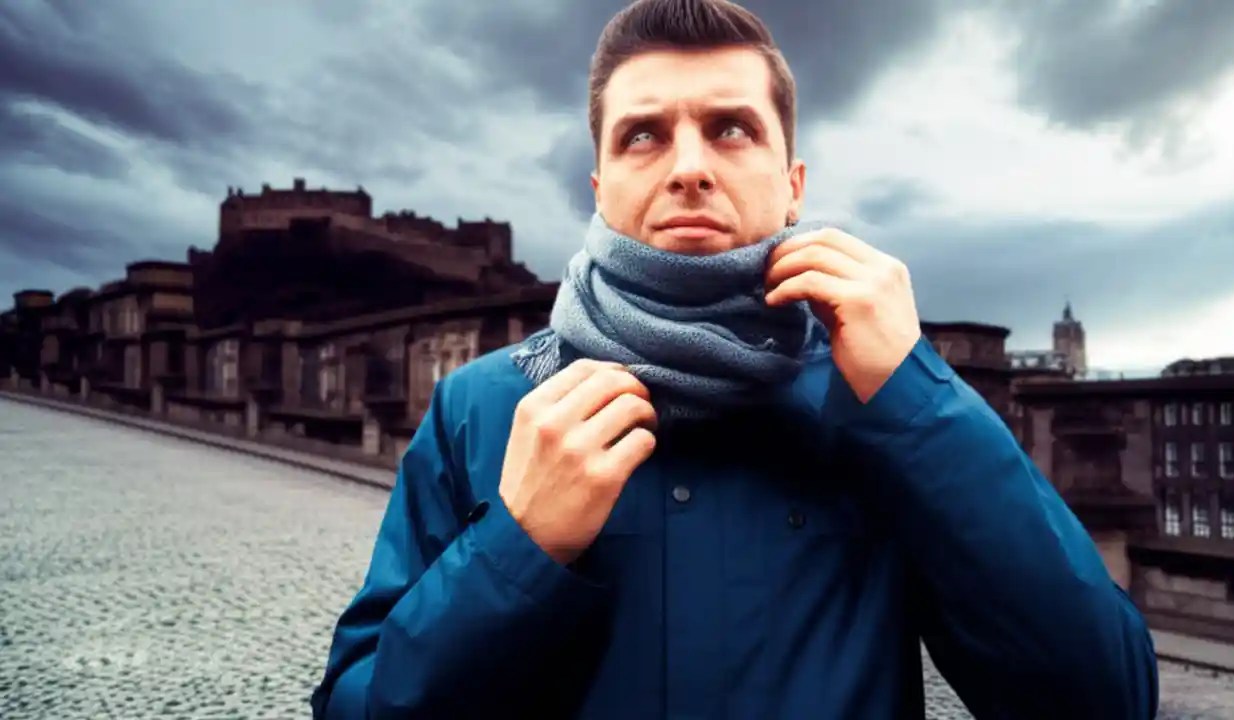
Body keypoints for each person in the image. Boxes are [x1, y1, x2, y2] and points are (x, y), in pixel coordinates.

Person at [309, 0, 1159, 717]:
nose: (688, 168)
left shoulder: (883, 405)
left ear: (791, 182)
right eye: (644, 135)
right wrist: (516, 550)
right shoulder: (480, 407)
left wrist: (922, 402)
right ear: (599, 187)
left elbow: (1102, 697)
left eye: (730, 129)